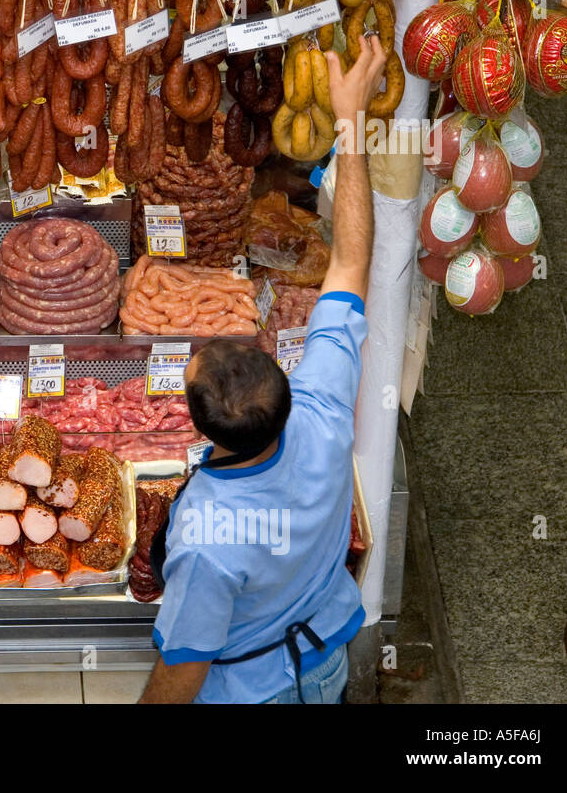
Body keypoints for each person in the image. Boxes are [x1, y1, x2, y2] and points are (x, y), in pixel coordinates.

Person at [139, 35, 389, 704]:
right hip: (324, 660)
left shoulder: (206, 536)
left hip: (255, 690)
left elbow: (183, 670)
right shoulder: (324, 410)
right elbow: (352, 263)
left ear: (203, 429)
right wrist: (352, 126)